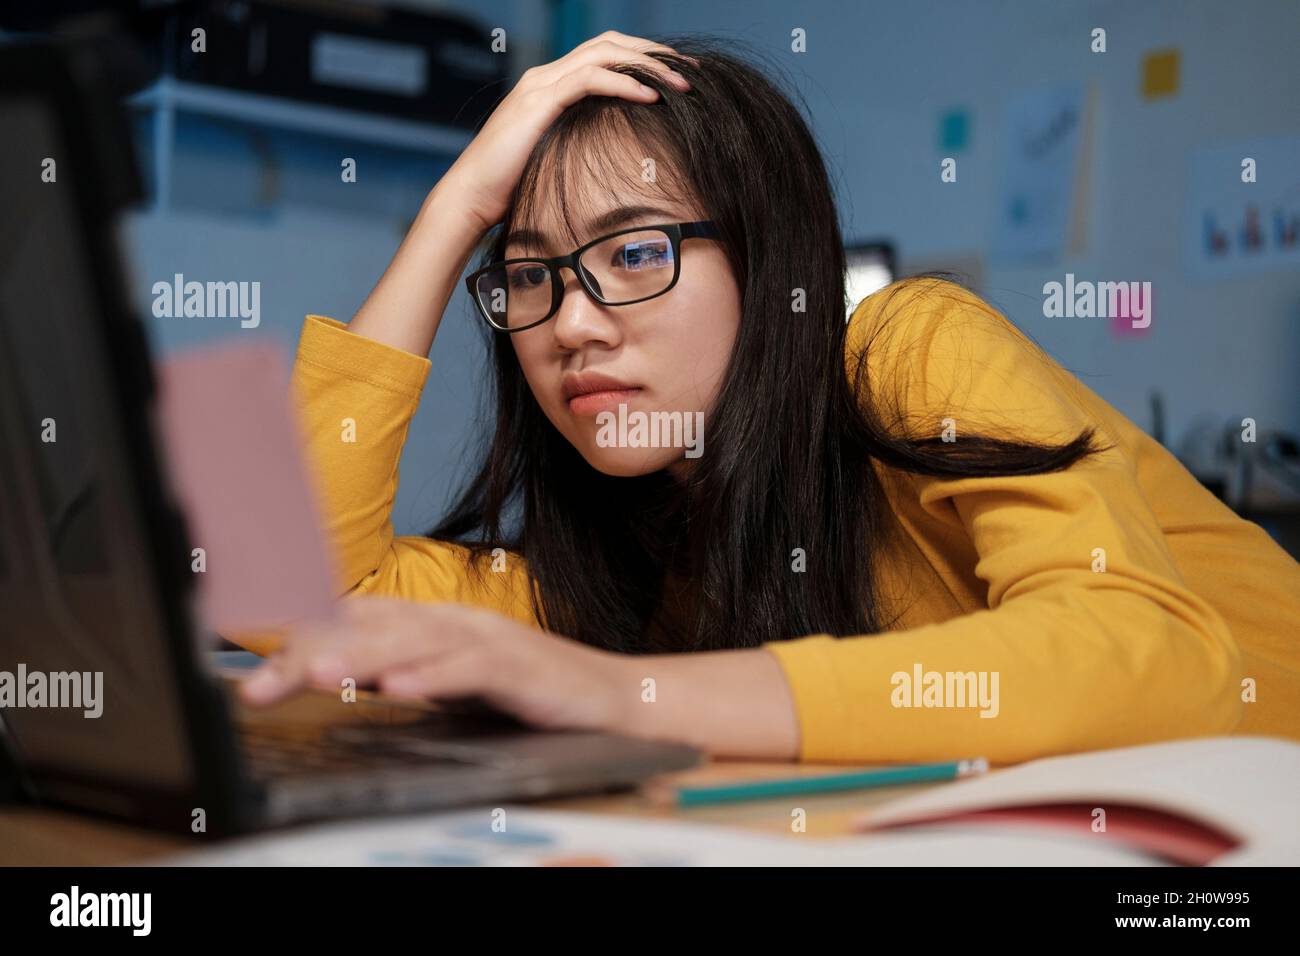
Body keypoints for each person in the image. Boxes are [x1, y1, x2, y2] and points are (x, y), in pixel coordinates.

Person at [236, 33, 1300, 764]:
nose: (569, 321)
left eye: (636, 250)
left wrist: (626, 696)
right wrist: (454, 202)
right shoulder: (632, 551)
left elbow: (1161, 663)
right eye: (525, 273)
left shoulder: (908, 346)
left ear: (767, 264)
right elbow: (272, 598)